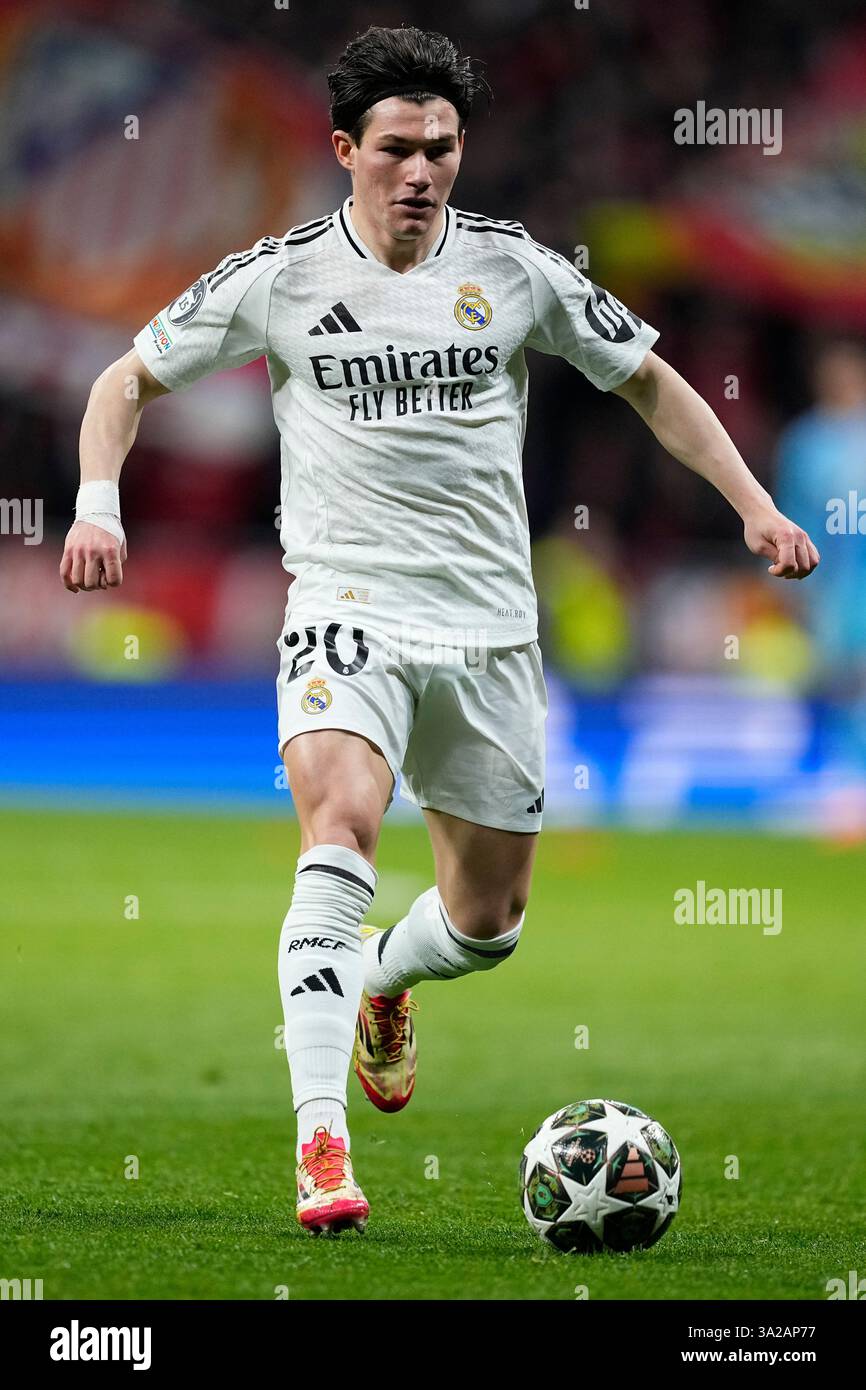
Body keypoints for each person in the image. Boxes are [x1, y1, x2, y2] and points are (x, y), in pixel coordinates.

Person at [59, 25, 820, 1236]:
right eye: (399, 148)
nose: (422, 171)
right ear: (345, 150)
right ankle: (321, 1141)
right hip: (344, 607)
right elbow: (123, 382)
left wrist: (755, 505)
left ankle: (378, 980)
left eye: (443, 149)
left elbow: (651, 383)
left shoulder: (515, 269)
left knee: (487, 923)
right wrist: (98, 507)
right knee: (340, 827)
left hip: (487, 634)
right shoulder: (280, 276)